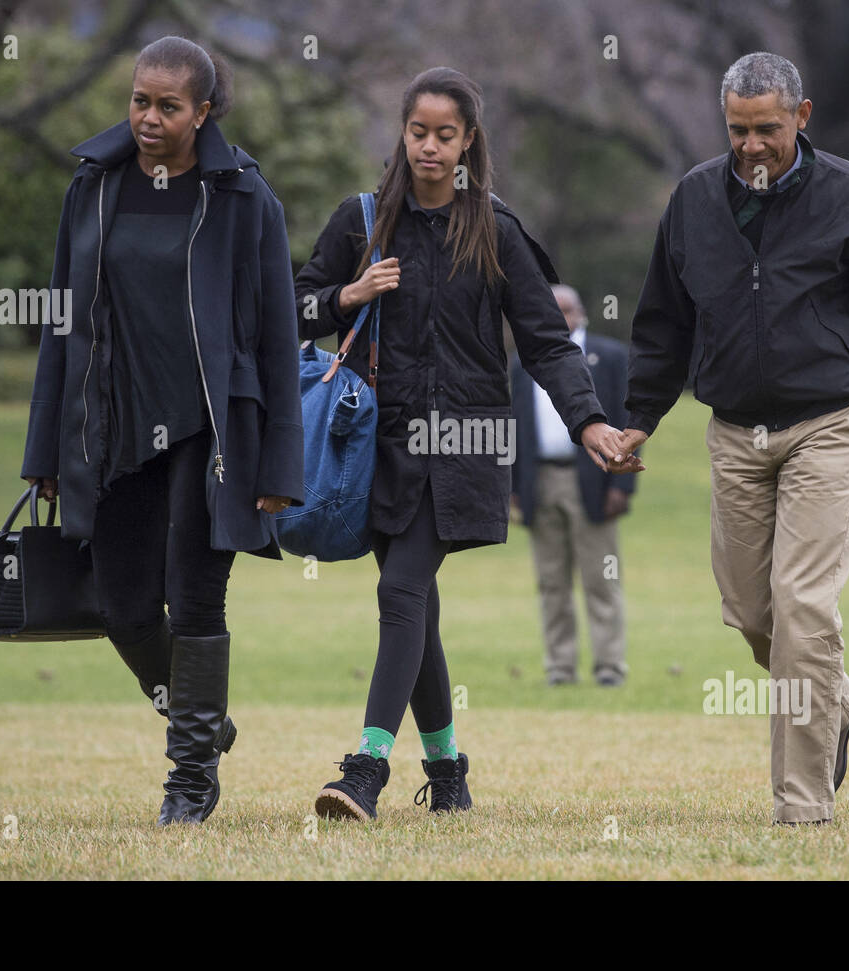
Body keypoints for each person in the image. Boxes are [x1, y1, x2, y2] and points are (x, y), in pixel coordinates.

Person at [608, 52, 849, 825]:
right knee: (755, 614)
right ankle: (839, 696)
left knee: (802, 606)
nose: (752, 145)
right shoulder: (693, 199)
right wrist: (639, 416)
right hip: (733, 430)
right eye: (737, 130)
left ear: (802, 116)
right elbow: (662, 322)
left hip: (828, 421)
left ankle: (803, 806)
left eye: (767, 128)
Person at [294, 66, 624, 821]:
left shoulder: (497, 229)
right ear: (402, 134)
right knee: (417, 609)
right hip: (375, 444)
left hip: (466, 445)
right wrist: (349, 294)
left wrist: (590, 421)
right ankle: (447, 774)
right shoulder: (359, 221)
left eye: (446, 135)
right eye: (418, 133)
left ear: (469, 140)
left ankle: (365, 769)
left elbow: (546, 343)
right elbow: (291, 309)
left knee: (400, 590)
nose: (430, 148)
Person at [19, 36, 304, 826]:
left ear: (203, 111)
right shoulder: (94, 185)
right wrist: (45, 448)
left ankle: (189, 781)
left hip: (210, 430)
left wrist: (279, 461)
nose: (148, 117)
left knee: (196, 594)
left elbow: (278, 335)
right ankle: (204, 719)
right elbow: (60, 320)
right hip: (112, 425)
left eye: (168, 105)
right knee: (123, 606)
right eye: (140, 100)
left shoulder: (245, 198)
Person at [510, 284, 637, 687]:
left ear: (580, 313)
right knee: (551, 582)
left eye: (565, 311)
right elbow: (513, 430)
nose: (560, 319)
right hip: (540, 479)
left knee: (601, 579)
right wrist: (513, 488)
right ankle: (560, 668)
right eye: (552, 312)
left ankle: (609, 667)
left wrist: (622, 487)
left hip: (594, 478)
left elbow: (627, 419)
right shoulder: (521, 364)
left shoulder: (610, 357)